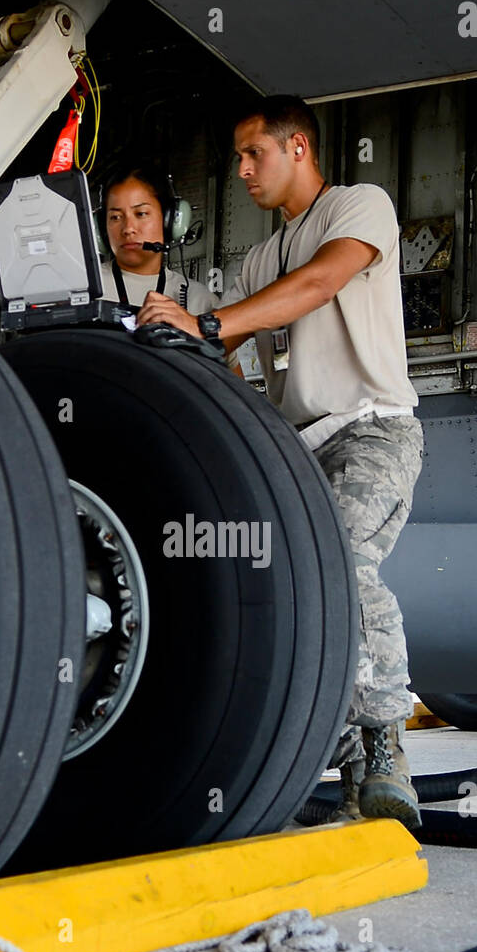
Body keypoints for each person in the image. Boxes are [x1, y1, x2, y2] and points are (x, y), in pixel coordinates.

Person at [137, 96, 423, 829]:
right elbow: (227, 355)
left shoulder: (359, 207)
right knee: (299, 598)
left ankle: (387, 741)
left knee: (346, 564)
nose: (241, 171)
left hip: (372, 430)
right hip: (302, 446)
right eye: (237, 159)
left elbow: (321, 283)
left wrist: (208, 323)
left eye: (251, 154)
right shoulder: (260, 260)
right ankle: (361, 785)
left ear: (298, 147)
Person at [98, 163, 212, 316]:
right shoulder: (80, 291)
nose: (128, 229)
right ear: (101, 227)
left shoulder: (199, 300)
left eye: (141, 214)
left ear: (170, 221)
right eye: (115, 217)